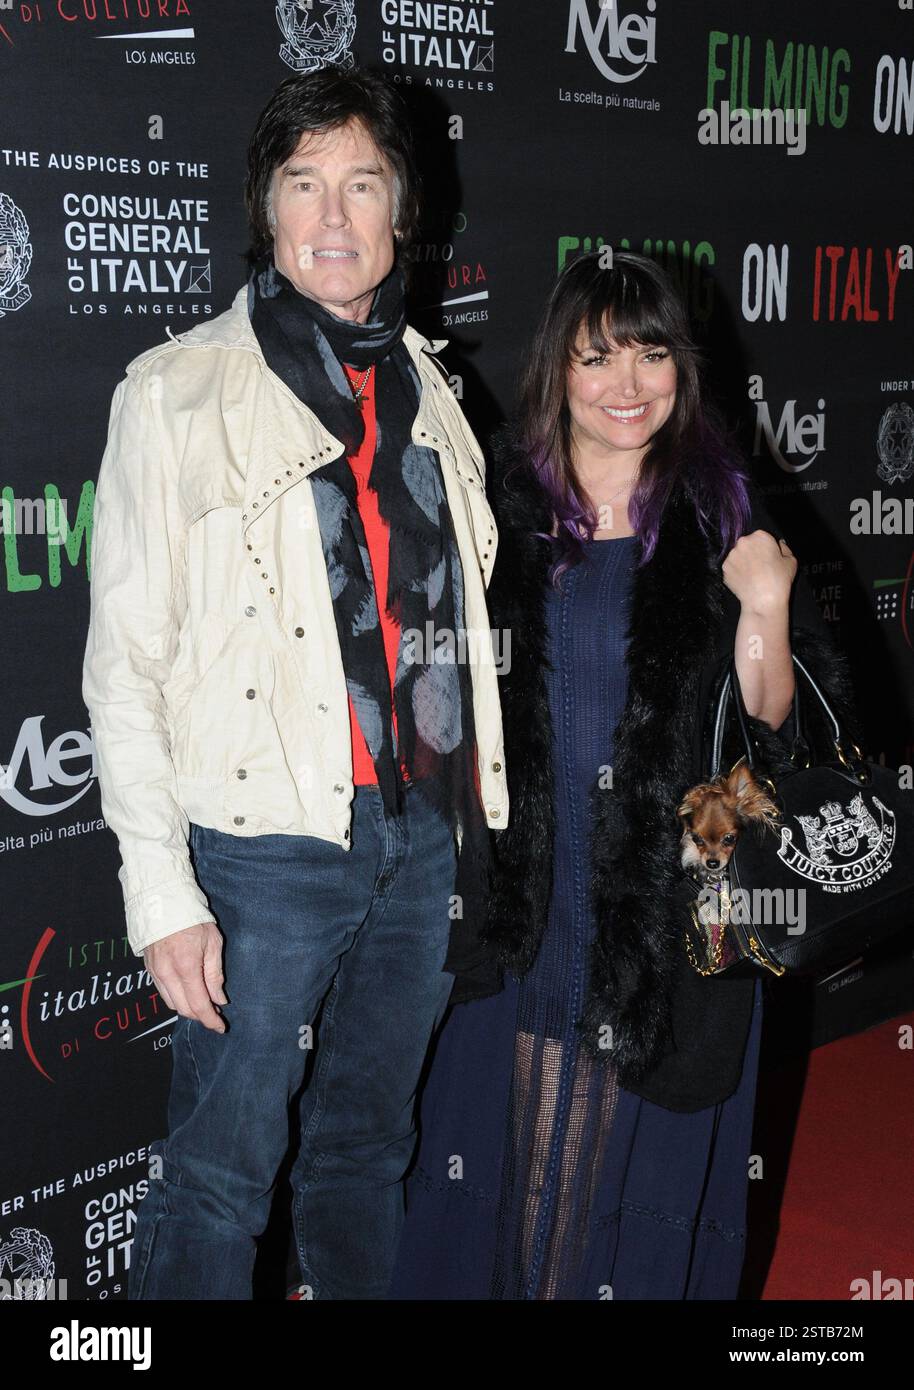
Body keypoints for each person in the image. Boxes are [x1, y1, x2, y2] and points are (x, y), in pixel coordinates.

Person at [81, 64, 508, 1301]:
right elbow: (125, 665)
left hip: (419, 830)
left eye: (361, 185)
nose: (332, 217)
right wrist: (163, 892)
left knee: (369, 1151)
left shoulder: (431, 384)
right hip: (265, 845)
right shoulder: (174, 391)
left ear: (400, 215)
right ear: (265, 210)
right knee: (219, 1172)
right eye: (303, 184)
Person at [388, 249, 861, 1300]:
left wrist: (767, 608)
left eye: (650, 353)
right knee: (504, 1154)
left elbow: (774, 737)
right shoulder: (493, 511)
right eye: (598, 357)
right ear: (556, 368)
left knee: (608, 1169)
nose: (627, 384)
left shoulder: (719, 515)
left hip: (659, 910)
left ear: (679, 370)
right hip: (523, 896)